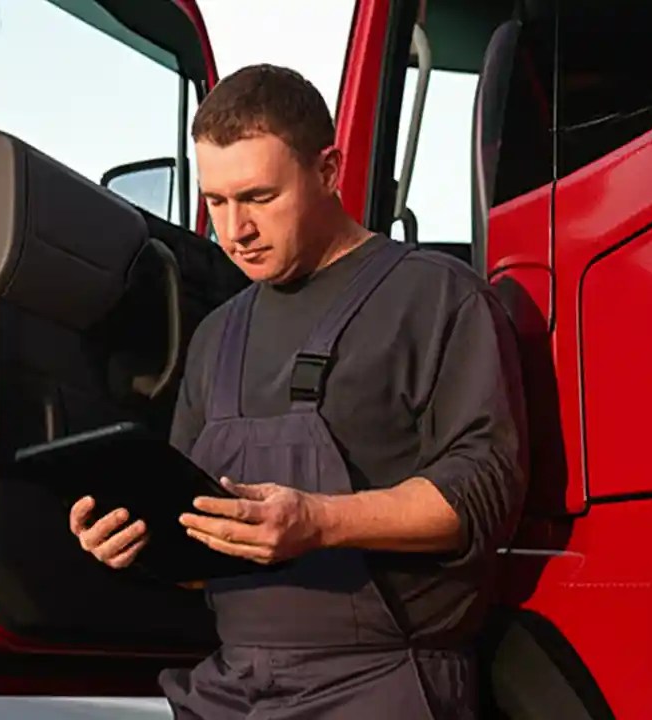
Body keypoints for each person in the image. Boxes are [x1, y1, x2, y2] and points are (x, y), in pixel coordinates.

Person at [68, 63, 527, 719]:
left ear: (329, 170)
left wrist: (317, 522)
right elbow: (203, 548)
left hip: (379, 685)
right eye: (217, 202)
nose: (235, 231)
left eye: (258, 197)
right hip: (229, 690)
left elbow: (487, 489)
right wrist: (140, 544)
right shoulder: (216, 335)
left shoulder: (434, 296)